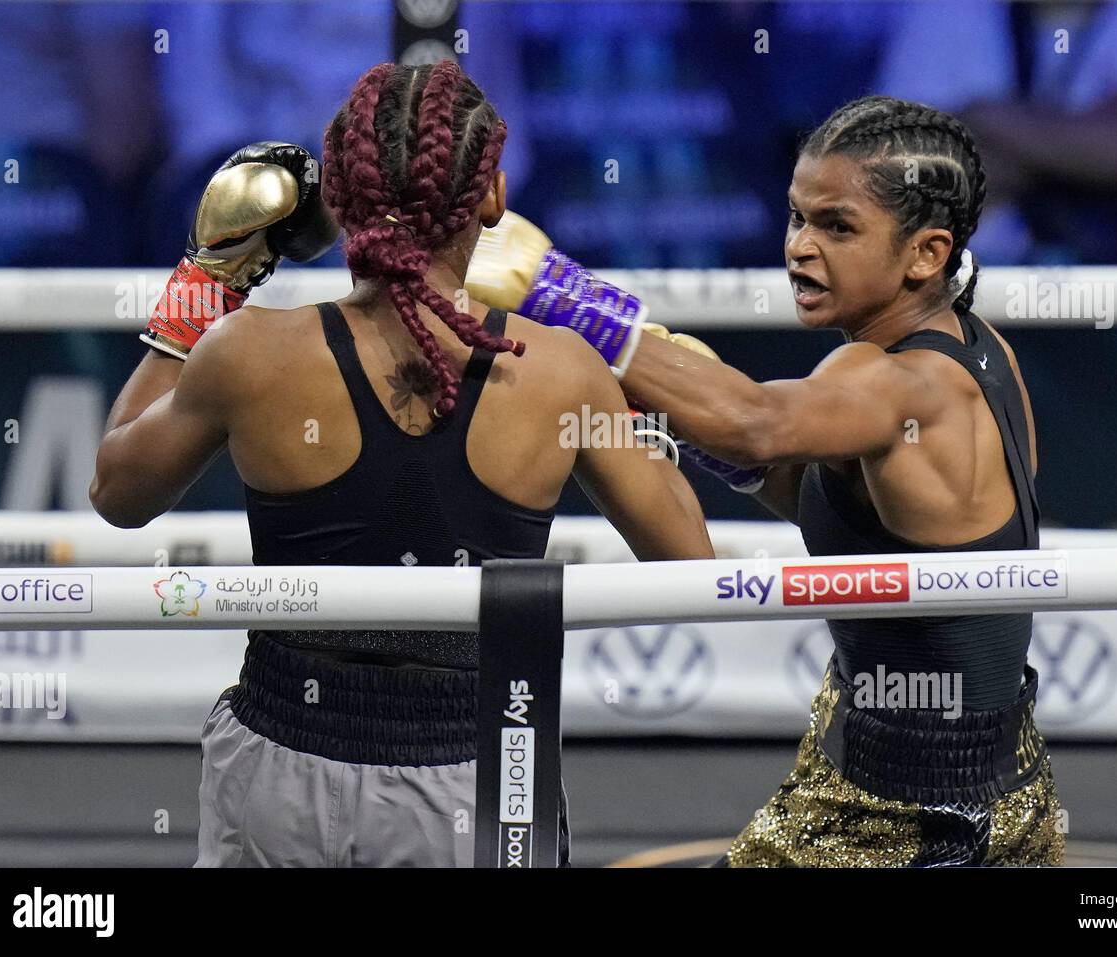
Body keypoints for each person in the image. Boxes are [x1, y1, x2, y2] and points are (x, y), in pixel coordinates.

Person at [89, 59, 713, 867]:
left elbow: (117, 489)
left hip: (283, 761)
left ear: (336, 198)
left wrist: (206, 277)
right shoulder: (560, 371)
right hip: (480, 777)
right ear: (491, 197)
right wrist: (589, 311)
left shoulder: (250, 353)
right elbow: (690, 564)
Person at [467, 95, 1065, 867]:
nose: (801, 248)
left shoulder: (897, 381)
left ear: (925, 252)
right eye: (796, 218)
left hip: (902, 814)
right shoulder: (982, 351)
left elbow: (756, 423)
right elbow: (833, 496)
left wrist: (566, 298)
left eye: (837, 227)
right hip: (993, 779)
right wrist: (690, 410)